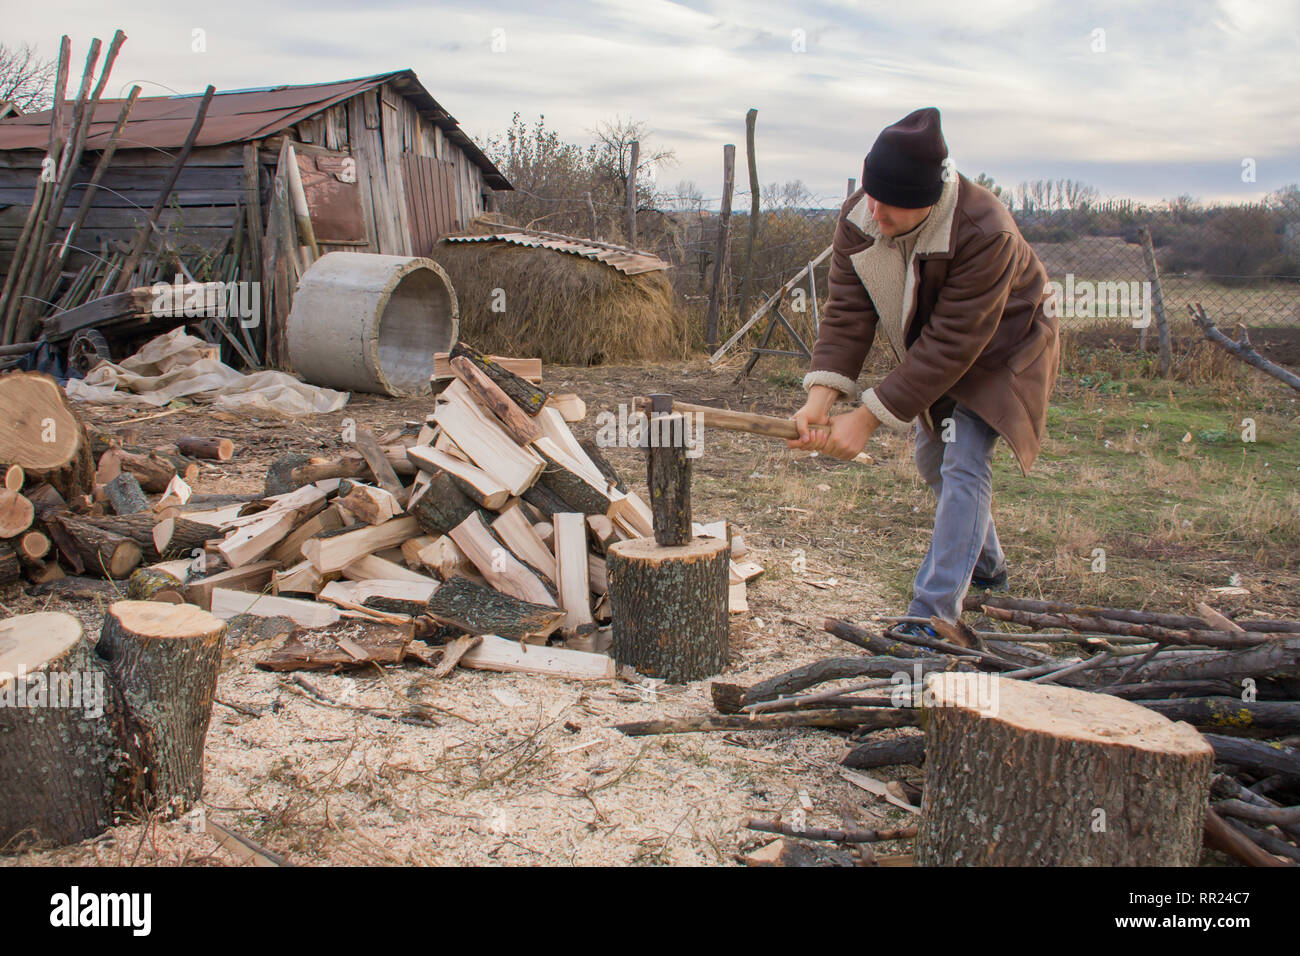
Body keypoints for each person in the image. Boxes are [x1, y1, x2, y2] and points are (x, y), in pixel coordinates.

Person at [787, 107, 1059, 637]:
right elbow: (848, 311)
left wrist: (865, 419)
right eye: (872, 196)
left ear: (930, 203)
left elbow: (953, 344)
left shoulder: (986, 230)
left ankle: (932, 615)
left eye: (892, 205)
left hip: (1006, 346)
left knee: (964, 462)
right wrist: (820, 399)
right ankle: (986, 564)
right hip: (947, 343)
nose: (876, 213)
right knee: (933, 461)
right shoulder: (859, 218)